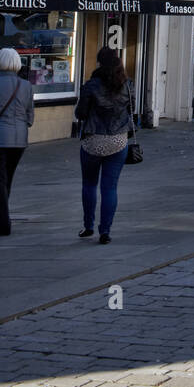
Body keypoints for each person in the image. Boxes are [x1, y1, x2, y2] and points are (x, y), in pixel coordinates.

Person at [74, 47, 135, 244]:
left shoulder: (91, 85)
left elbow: (80, 113)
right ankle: (105, 231)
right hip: (118, 139)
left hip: (94, 139)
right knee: (110, 188)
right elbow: (131, 110)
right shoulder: (127, 85)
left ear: (100, 63)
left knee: (89, 184)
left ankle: (88, 226)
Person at [0, 48, 34, 237]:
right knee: (7, 179)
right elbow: (30, 116)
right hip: (19, 140)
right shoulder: (26, 86)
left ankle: (3, 223)